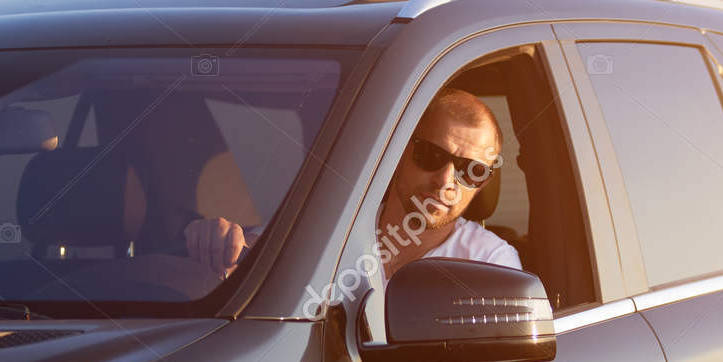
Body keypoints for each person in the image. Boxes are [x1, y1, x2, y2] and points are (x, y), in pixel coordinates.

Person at [183, 88, 520, 279]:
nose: (447, 179)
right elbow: (248, 255)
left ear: (483, 182)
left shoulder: (490, 264)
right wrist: (221, 248)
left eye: (470, 170)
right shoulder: (325, 224)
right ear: (398, 151)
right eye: (431, 155)